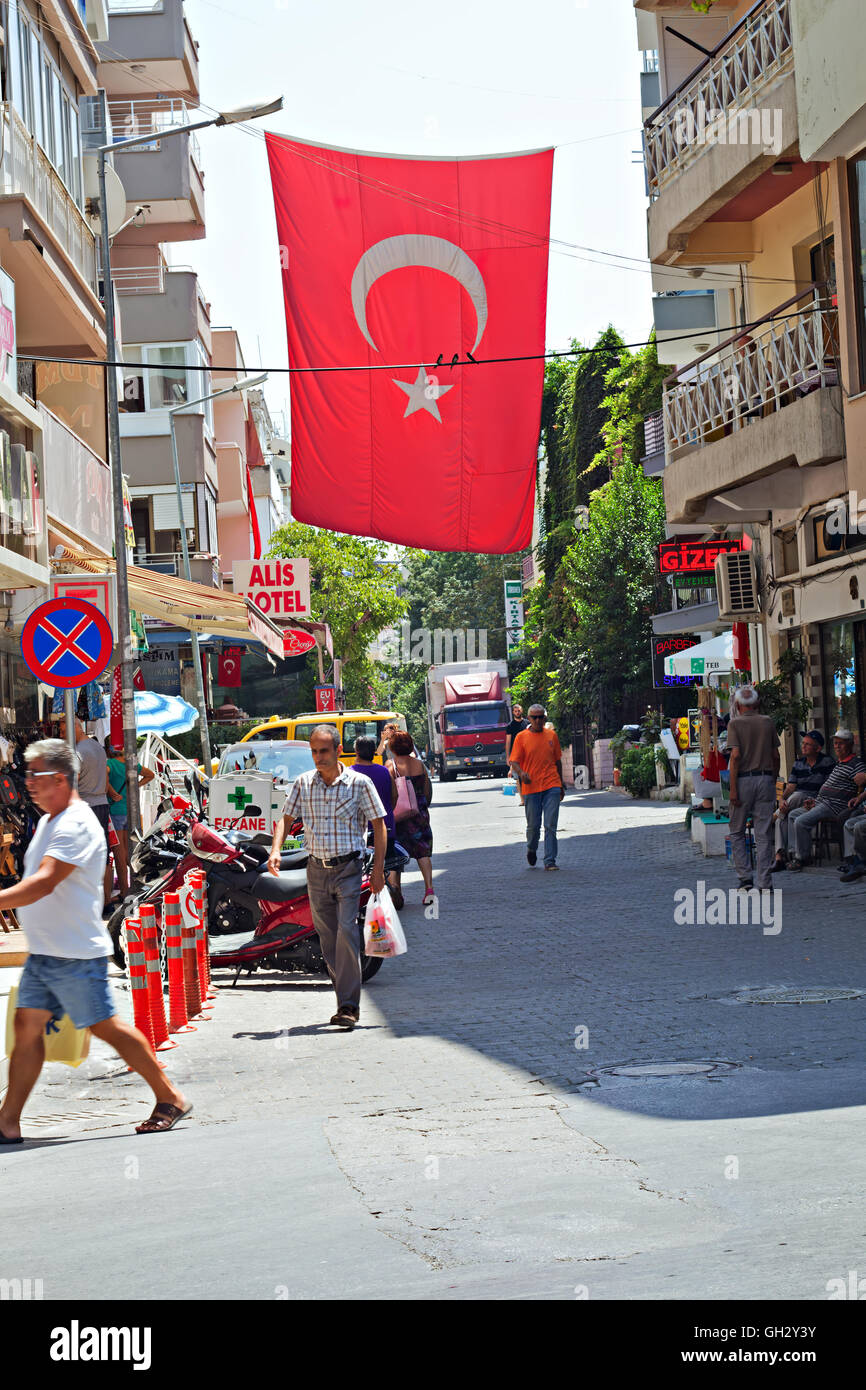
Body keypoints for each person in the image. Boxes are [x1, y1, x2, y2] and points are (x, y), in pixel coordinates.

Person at [0, 739, 191, 1142]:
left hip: (74, 953)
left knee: (108, 1028)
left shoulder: (74, 823)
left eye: (33, 775)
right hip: (47, 953)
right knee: (27, 1028)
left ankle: (170, 1095)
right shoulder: (51, 819)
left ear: (59, 778)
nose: (27, 783)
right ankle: (8, 1122)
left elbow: (44, 882)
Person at [269, 725, 386, 1030]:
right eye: (314, 752)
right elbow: (285, 818)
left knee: (347, 932)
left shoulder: (359, 784)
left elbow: (380, 825)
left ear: (337, 750)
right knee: (328, 940)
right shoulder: (303, 784)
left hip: (349, 869)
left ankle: (348, 1005)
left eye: (323, 751)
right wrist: (276, 850)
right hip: (316, 870)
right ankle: (343, 1000)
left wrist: (377, 870)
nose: (318, 757)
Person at [725, 684, 780, 891]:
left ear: (738, 705)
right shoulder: (767, 722)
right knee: (763, 833)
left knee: (737, 831)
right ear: (757, 703)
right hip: (765, 779)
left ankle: (745, 879)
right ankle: (765, 882)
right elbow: (776, 756)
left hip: (743, 780)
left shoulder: (735, 724)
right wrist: (772, 779)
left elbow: (735, 756)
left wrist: (732, 789)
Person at [787, 729, 866, 870]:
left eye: (841, 743)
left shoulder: (855, 763)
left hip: (833, 806)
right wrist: (815, 800)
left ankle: (802, 858)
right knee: (793, 815)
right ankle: (797, 853)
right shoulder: (839, 763)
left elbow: (861, 779)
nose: (837, 746)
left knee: (801, 821)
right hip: (821, 802)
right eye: (835, 743)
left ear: (850, 745)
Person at [59, 713, 111, 906]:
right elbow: (105, 781)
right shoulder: (98, 747)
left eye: (65, 731)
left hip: (87, 806)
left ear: (76, 728)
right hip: (102, 803)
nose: (63, 735)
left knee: (85, 857)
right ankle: (105, 900)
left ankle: (91, 901)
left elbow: (74, 781)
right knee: (102, 855)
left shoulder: (78, 752)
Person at [509, 704, 566, 871]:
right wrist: (521, 773)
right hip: (531, 787)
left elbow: (557, 761)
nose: (538, 720)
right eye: (534, 717)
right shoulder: (521, 737)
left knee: (550, 824)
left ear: (545, 718)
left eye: (541, 717)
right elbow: (514, 761)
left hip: (552, 784)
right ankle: (531, 848)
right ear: (529, 718)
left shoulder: (552, 736)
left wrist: (561, 784)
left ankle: (550, 860)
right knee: (533, 826)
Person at [771, 730, 835, 871]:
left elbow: (828, 788)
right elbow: (791, 787)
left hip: (817, 801)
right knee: (783, 817)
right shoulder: (798, 763)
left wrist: (815, 800)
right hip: (798, 801)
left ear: (817, 748)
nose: (803, 746)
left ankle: (774, 816)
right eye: (803, 743)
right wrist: (782, 800)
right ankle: (780, 857)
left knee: (795, 798)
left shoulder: (827, 762)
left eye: (808, 744)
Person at [385, 730, 434, 907]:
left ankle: (396, 890)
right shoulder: (420, 765)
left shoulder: (391, 765)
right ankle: (429, 889)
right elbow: (427, 790)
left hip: (399, 815)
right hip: (419, 813)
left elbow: (390, 792)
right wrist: (423, 805)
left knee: (395, 853)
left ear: (392, 746)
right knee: (422, 852)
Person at [106, 743, 155, 899]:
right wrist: (134, 787)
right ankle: (141, 882)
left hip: (115, 812)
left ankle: (124, 891)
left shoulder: (109, 764)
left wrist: (113, 793)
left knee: (119, 855)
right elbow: (151, 774)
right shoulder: (132, 764)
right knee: (128, 854)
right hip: (130, 812)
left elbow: (103, 779)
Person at [353, 734, 398, 847]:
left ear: (356, 751)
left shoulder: (350, 774)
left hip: (359, 832)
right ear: (374, 751)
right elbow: (395, 795)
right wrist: (386, 811)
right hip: (386, 827)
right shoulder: (385, 771)